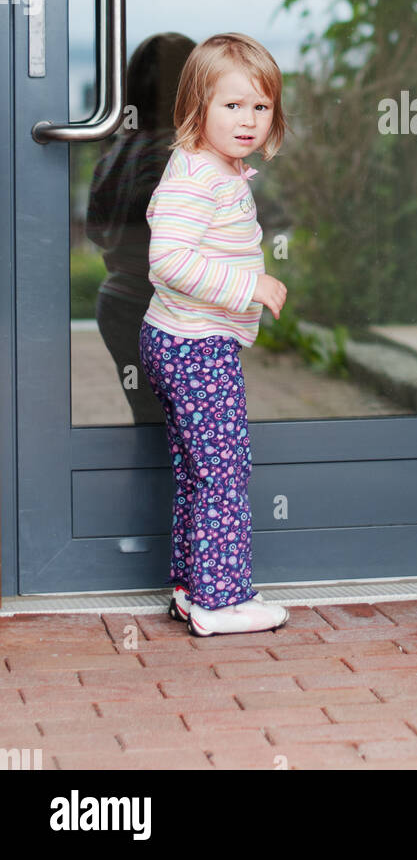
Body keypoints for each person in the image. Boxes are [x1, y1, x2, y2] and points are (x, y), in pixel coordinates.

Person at [138, 31, 291, 637]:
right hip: (195, 346)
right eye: (232, 106)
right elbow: (167, 261)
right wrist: (246, 286)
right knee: (224, 470)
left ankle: (190, 587)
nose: (249, 120)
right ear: (196, 107)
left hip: (185, 341)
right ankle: (221, 600)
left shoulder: (213, 168)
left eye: (261, 107)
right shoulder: (198, 178)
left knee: (199, 468)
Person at [86, 32, 195, 424]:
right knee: (188, 426)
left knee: (152, 418)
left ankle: (152, 482)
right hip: (162, 309)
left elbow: (97, 230)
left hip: (116, 301)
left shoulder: (117, 151)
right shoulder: (180, 157)